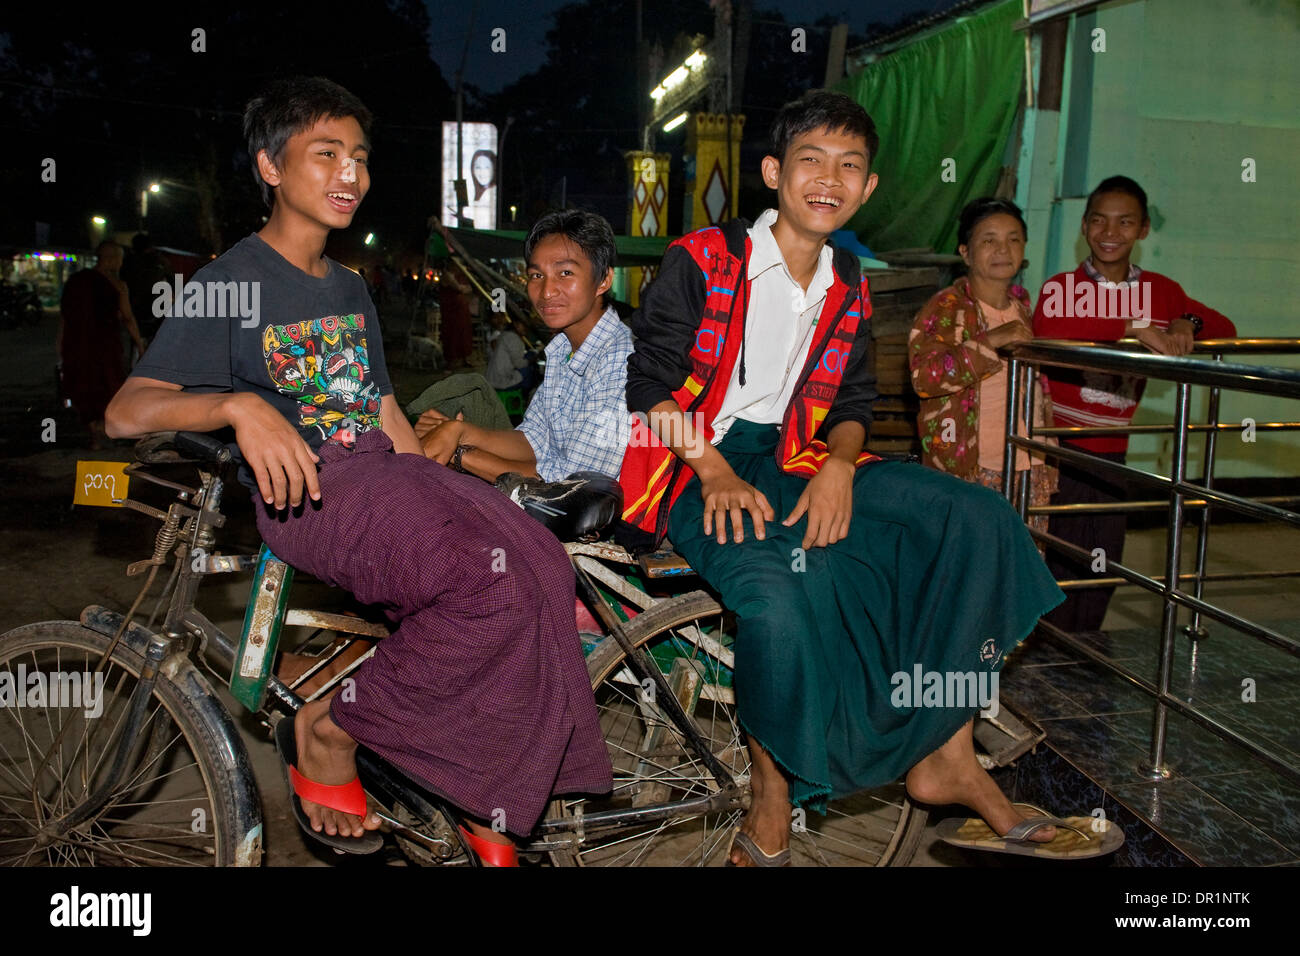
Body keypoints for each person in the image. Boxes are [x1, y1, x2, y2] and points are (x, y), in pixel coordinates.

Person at [104, 76, 611, 865]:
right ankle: (327, 729)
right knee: (485, 582)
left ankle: (485, 786)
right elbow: (127, 410)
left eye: (361, 158)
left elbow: (378, 405)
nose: (352, 175)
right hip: (318, 494)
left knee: (542, 565)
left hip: (387, 478)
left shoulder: (349, 287)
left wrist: (445, 489)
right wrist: (238, 406)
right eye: (327, 155)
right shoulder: (230, 283)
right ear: (271, 167)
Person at [620, 91, 1073, 866]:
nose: (829, 179)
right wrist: (717, 471)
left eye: (850, 167)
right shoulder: (700, 259)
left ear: (866, 189)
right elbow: (648, 387)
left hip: (799, 458)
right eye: (811, 161)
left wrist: (837, 465)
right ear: (773, 172)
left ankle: (948, 749)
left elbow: (855, 402)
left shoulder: (850, 281)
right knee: (781, 604)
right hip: (691, 464)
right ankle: (772, 788)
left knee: (977, 521)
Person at [1032, 176, 1236, 633]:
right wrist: (1131, 326)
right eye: (1100, 220)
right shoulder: (1062, 287)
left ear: (1143, 230)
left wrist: (1187, 319)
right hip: (1063, 450)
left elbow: (1226, 326)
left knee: (1106, 561)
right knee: (1058, 556)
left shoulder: (1162, 292)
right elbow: (1050, 327)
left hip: (1116, 457)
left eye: (1125, 222)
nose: (1111, 232)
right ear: (1084, 226)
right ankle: (1048, 654)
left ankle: (1086, 656)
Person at [417, 209, 633, 484]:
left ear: (603, 280)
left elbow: (573, 484)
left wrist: (460, 454)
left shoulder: (620, 362)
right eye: (536, 275)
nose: (546, 291)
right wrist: (458, 431)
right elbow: (533, 439)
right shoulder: (563, 350)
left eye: (565, 273)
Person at [909, 197, 1057, 539]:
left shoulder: (1025, 308)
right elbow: (924, 378)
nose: (1003, 249)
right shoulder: (946, 308)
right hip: (972, 468)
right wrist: (990, 341)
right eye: (988, 240)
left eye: (1014, 239)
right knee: (974, 568)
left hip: (1030, 465)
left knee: (1026, 569)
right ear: (965, 251)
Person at [58, 240, 146, 448]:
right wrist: (140, 344)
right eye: (120, 259)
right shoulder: (117, 285)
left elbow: (64, 317)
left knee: (84, 387)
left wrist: (60, 346)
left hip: (76, 345)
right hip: (105, 348)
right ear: (113, 259)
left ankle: (94, 435)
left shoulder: (76, 280)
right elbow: (128, 318)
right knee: (109, 386)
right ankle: (107, 430)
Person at [437, 261, 474, 369]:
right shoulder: (447, 275)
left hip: (461, 309)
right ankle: (451, 360)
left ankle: (464, 358)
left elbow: (470, 288)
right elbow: (460, 288)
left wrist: (466, 288)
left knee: (464, 332)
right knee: (452, 333)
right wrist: (464, 288)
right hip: (451, 310)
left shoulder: (460, 275)